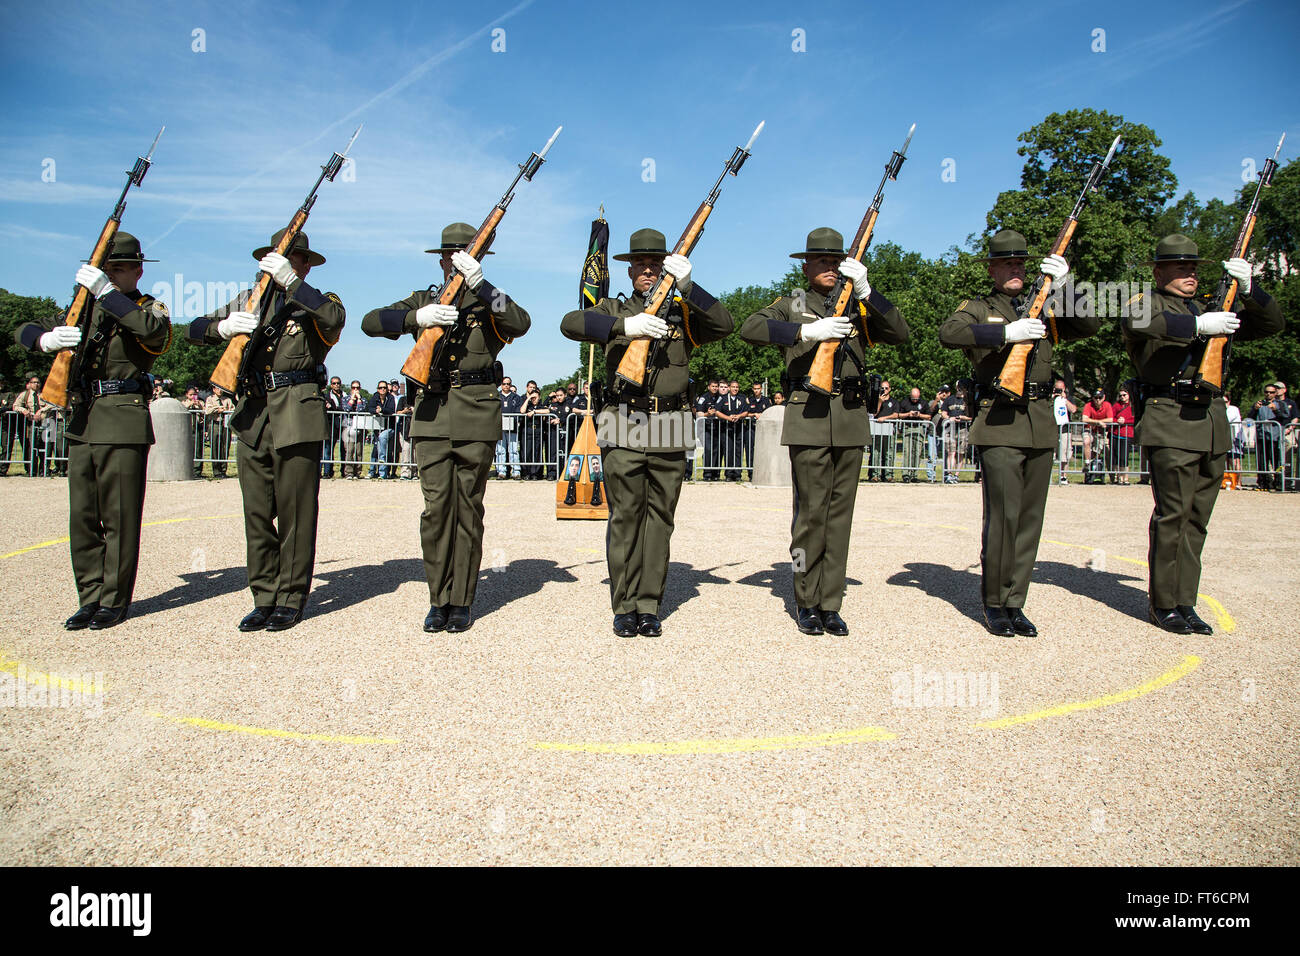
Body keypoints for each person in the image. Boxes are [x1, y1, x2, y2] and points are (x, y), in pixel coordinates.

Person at [561, 227, 733, 637]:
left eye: (655, 263)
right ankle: (624, 605)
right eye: (639, 263)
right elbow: (570, 323)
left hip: (671, 423)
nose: (647, 269)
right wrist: (627, 328)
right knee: (625, 515)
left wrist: (690, 287)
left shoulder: (683, 312)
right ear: (629, 270)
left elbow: (725, 325)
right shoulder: (612, 310)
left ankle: (649, 604)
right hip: (623, 420)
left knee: (660, 517)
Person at [361, 222, 530, 633]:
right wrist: (415, 316)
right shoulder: (425, 299)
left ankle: (462, 600)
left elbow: (521, 321)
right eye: (449, 256)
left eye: (464, 257)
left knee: (468, 509)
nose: (453, 262)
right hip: (432, 415)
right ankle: (439, 598)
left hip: (475, 415)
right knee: (436, 510)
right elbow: (370, 321)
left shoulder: (490, 301)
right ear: (439, 259)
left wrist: (483, 285)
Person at [740, 227, 908, 636]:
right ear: (806, 264)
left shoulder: (859, 305)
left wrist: (868, 293)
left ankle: (830, 602)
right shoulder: (794, 302)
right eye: (823, 261)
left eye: (837, 262)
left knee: (839, 517)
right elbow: (750, 328)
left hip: (849, 417)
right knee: (810, 517)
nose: (831, 268)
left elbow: (901, 333)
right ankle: (805, 599)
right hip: (810, 417)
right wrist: (806, 331)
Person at [939, 229, 1099, 637]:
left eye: (1020, 263)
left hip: (1040, 421)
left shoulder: (1046, 306)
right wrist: (1006, 333)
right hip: (999, 423)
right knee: (1004, 518)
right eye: (1007, 263)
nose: (1015, 269)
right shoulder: (978, 308)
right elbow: (950, 333)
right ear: (992, 269)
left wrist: (1068, 286)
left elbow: (1091, 325)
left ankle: (1016, 602)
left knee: (1030, 520)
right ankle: (994, 602)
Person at [1122, 234, 1283, 633]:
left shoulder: (1212, 305)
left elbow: (1272, 324)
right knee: (1173, 514)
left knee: (1197, 519)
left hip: (1210, 421)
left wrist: (1249, 289)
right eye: (1180, 267)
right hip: (1170, 417)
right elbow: (1138, 322)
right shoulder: (1144, 301)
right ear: (1159, 271)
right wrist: (1198, 325)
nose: (1190, 273)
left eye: (1193, 267)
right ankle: (1163, 603)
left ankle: (1185, 600)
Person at [188, 228, 344, 632]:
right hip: (253, 416)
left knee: (295, 512)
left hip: (296, 414)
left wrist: (293, 285)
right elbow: (192, 328)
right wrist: (220, 329)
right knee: (257, 513)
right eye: (283, 257)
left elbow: (334, 322)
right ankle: (263, 595)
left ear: (306, 264)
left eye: (297, 259)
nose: (290, 263)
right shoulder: (248, 300)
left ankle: (291, 597)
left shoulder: (318, 301)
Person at [14, 232, 172, 629]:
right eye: (108, 269)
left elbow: (153, 333)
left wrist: (106, 293)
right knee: (83, 516)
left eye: (121, 269)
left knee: (119, 516)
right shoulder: (84, 310)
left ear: (138, 270)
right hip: (83, 419)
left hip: (123, 417)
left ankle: (114, 600)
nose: (115, 275)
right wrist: (44, 339)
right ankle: (89, 595)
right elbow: (24, 329)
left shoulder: (146, 307)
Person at [12, 374, 48, 476]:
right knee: (31, 446)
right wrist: (24, 410)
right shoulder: (25, 394)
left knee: (44, 446)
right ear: (29, 384)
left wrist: (42, 411)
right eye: (34, 382)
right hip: (30, 424)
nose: (36, 384)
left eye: (38, 382)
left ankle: (43, 470)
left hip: (45, 423)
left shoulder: (44, 394)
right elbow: (15, 406)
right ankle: (31, 470)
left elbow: (51, 405)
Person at [939, 383, 971, 484]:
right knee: (951, 452)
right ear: (956, 388)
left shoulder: (968, 400)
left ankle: (956, 475)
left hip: (963, 429)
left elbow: (971, 416)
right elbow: (943, 413)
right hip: (950, 429)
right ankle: (949, 474)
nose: (960, 389)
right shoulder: (949, 399)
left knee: (960, 453)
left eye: (962, 387)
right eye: (959, 387)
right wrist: (950, 418)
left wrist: (962, 418)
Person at [1081, 388, 1113, 484]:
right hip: (1089, 430)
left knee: (1098, 452)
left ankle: (1099, 474)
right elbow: (1084, 418)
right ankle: (1087, 464)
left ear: (1104, 397)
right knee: (1086, 441)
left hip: (1100, 433)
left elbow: (1111, 419)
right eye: (1096, 397)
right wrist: (1097, 422)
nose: (1098, 400)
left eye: (1100, 397)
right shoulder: (1088, 405)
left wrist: (1099, 423)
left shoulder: (1107, 405)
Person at [365, 381, 396, 479]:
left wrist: (381, 410)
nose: (383, 389)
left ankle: (382, 472)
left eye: (384, 387)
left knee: (382, 440)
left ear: (387, 389)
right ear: (377, 389)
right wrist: (376, 411)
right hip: (377, 427)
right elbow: (369, 408)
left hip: (389, 428)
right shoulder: (375, 397)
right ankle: (372, 471)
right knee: (376, 448)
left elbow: (391, 410)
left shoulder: (390, 398)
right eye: (380, 387)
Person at [204, 385, 235, 477]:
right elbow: (207, 410)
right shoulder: (210, 399)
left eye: (221, 389)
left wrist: (226, 410)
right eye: (217, 388)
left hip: (225, 425)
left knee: (225, 447)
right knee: (215, 447)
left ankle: (223, 470)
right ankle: (216, 470)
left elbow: (233, 409)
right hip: (215, 424)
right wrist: (217, 409)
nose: (220, 391)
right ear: (214, 389)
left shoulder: (227, 400)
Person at [1051, 378, 1078, 485]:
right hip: (1051, 429)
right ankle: (1048, 476)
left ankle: (1063, 476)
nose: (1059, 391)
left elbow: (1074, 410)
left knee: (1065, 454)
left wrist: (1065, 400)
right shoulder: (1050, 399)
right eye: (1057, 389)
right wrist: (1053, 398)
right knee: (1051, 454)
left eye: (1060, 389)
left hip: (1065, 430)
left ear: (1065, 389)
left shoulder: (1068, 398)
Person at [496, 377, 524, 478]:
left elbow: (518, 411)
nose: (506, 386)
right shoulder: (496, 396)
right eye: (504, 384)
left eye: (508, 384)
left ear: (510, 385)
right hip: (499, 427)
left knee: (513, 450)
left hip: (512, 427)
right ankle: (501, 471)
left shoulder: (516, 397)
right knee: (500, 450)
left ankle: (516, 471)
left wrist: (516, 421)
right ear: (501, 385)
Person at [694, 379, 722, 481]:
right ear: (708, 387)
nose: (715, 388)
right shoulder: (703, 398)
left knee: (716, 450)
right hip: (705, 428)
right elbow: (699, 413)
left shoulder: (720, 398)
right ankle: (707, 474)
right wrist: (707, 414)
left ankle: (715, 473)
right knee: (708, 450)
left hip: (717, 428)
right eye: (713, 386)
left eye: (716, 386)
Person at [1274, 381, 1299, 491]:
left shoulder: (1291, 403)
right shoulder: (1270, 402)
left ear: (1284, 390)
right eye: (1275, 388)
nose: (1277, 390)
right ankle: (1275, 480)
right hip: (1274, 434)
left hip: (1287, 432)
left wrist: (1290, 428)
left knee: (1287, 458)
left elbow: (1295, 417)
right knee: (1274, 458)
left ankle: (1287, 482)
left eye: (1279, 388)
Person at [321, 375, 346, 478]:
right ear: (331, 385)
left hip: (343, 425)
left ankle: (344, 471)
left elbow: (343, 408)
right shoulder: (327, 396)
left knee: (344, 450)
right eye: (334, 383)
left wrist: (335, 408)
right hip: (332, 425)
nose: (336, 385)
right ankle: (328, 472)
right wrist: (337, 408)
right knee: (328, 449)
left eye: (338, 383)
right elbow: (333, 408)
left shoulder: (345, 395)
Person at [1111, 387, 1135, 484]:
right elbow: (1111, 417)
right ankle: (1118, 477)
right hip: (1116, 434)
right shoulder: (1116, 406)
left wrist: (1126, 421)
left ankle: (1125, 478)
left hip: (1127, 434)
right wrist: (1117, 421)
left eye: (1124, 395)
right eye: (1120, 395)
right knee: (1116, 456)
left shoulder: (1133, 406)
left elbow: (1135, 419)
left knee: (1124, 457)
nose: (1122, 397)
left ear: (1129, 395)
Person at [182, 386, 205, 478]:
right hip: (188, 428)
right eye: (191, 395)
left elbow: (205, 412)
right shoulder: (184, 403)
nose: (193, 396)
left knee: (198, 449)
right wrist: (190, 404)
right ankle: (188, 469)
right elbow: (182, 409)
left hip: (197, 427)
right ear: (187, 395)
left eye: (194, 394)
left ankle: (197, 471)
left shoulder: (201, 402)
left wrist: (199, 405)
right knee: (187, 449)